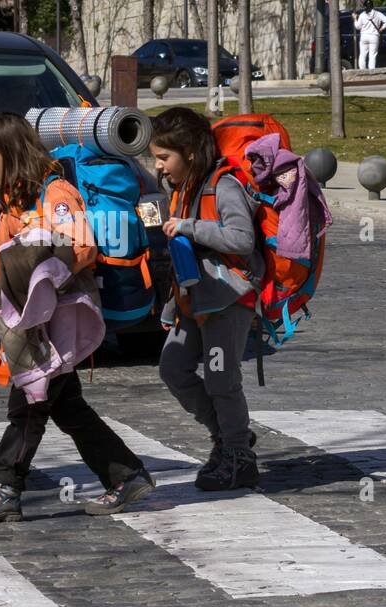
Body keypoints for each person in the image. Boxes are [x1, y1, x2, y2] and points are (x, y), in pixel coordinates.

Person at [0, 113, 154, 524]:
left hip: (57, 323)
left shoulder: (55, 193)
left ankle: (5, 488)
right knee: (66, 406)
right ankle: (126, 474)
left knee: (29, 403)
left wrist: (45, 270)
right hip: (33, 324)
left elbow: (79, 248)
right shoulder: (15, 200)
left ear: (9, 152)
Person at [150, 107, 262, 490]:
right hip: (195, 300)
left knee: (221, 379)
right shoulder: (185, 187)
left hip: (227, 300)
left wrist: (190, 227)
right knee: (173, 367)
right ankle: (229, 436)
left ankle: (237, 457)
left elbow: (242, 240)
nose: (160, 167)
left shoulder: (223, 186)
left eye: (164, 158)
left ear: (191, 154)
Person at [354, 0, 386, 70]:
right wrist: (381, 28)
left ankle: (362, 70)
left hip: (364, 36)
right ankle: (371, 71)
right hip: (374, 36)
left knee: (362, 54)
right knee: (372, 55)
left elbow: (357, 27)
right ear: (373, 6)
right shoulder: (378, 14)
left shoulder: (362, 15)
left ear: (365, 6)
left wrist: (355, 19)